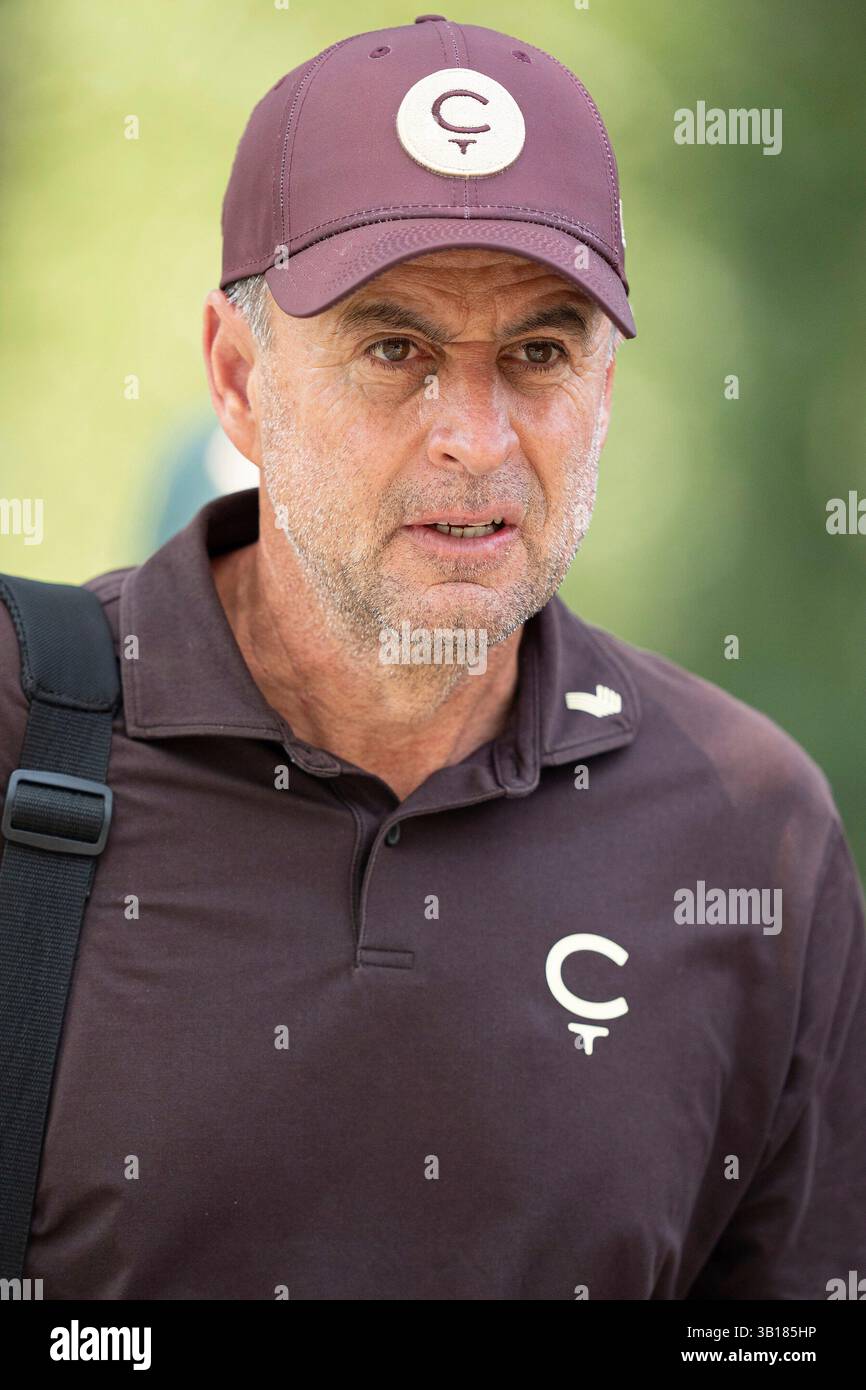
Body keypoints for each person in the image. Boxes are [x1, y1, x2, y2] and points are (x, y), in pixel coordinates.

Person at [1, 15, 863, 1301]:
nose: (474, 436)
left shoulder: (750, 829)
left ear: (605, 392)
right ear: (239, 379)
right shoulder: (22, 725)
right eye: (393, 349)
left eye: (538, 353)